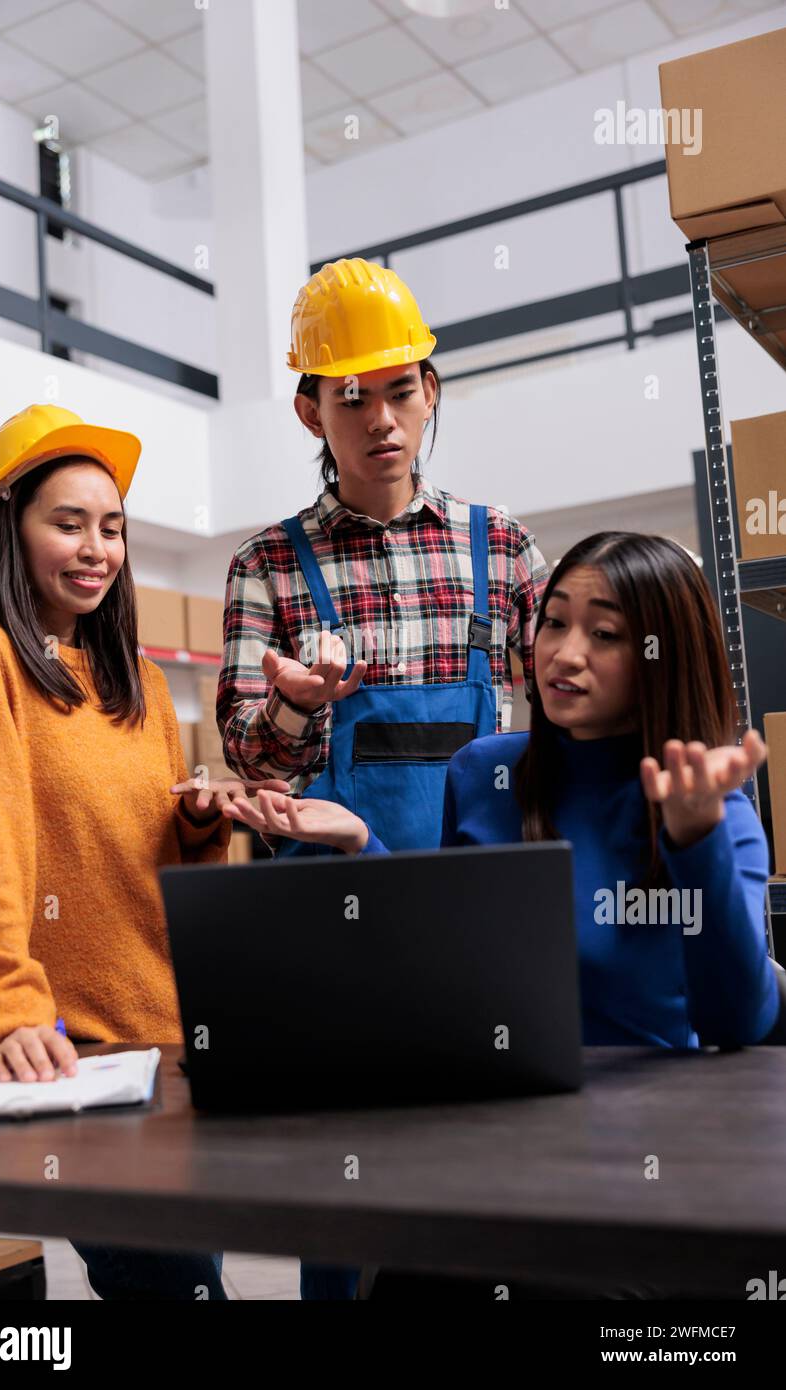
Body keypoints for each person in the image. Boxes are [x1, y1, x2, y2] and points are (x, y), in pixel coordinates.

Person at [222, 531, 780, 1297]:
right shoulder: (485, 773)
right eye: (554, 622)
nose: (564, 653)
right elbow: (456, 972)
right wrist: (362, 842)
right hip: (495, 1150)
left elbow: (737, 1024)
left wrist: (697, 840)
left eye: (606, 633)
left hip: (641, 1171)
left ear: (663, 654)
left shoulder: (711, 801)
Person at [217, 257, 549, 1297]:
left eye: (399, 388)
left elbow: (565, 727)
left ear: (431, 389)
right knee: (347, 1227)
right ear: (310, 410)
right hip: (335, 949)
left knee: (493, 1210)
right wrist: (293, 706)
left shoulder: (501, 549)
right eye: (348, 396)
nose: (379, 420)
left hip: (478, 932)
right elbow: (250, 762)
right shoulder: (265, 569)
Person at [0, 404, 290, 1301]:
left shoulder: (145, 683)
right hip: (72, 1046)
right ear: (10, 529)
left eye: (112, 527)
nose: (97, 548)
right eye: (68, 523)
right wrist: (5, 1006)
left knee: (185, 1281)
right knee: (175, 1287)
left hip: (165, 1040)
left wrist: (203, 822)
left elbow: (168, 870)